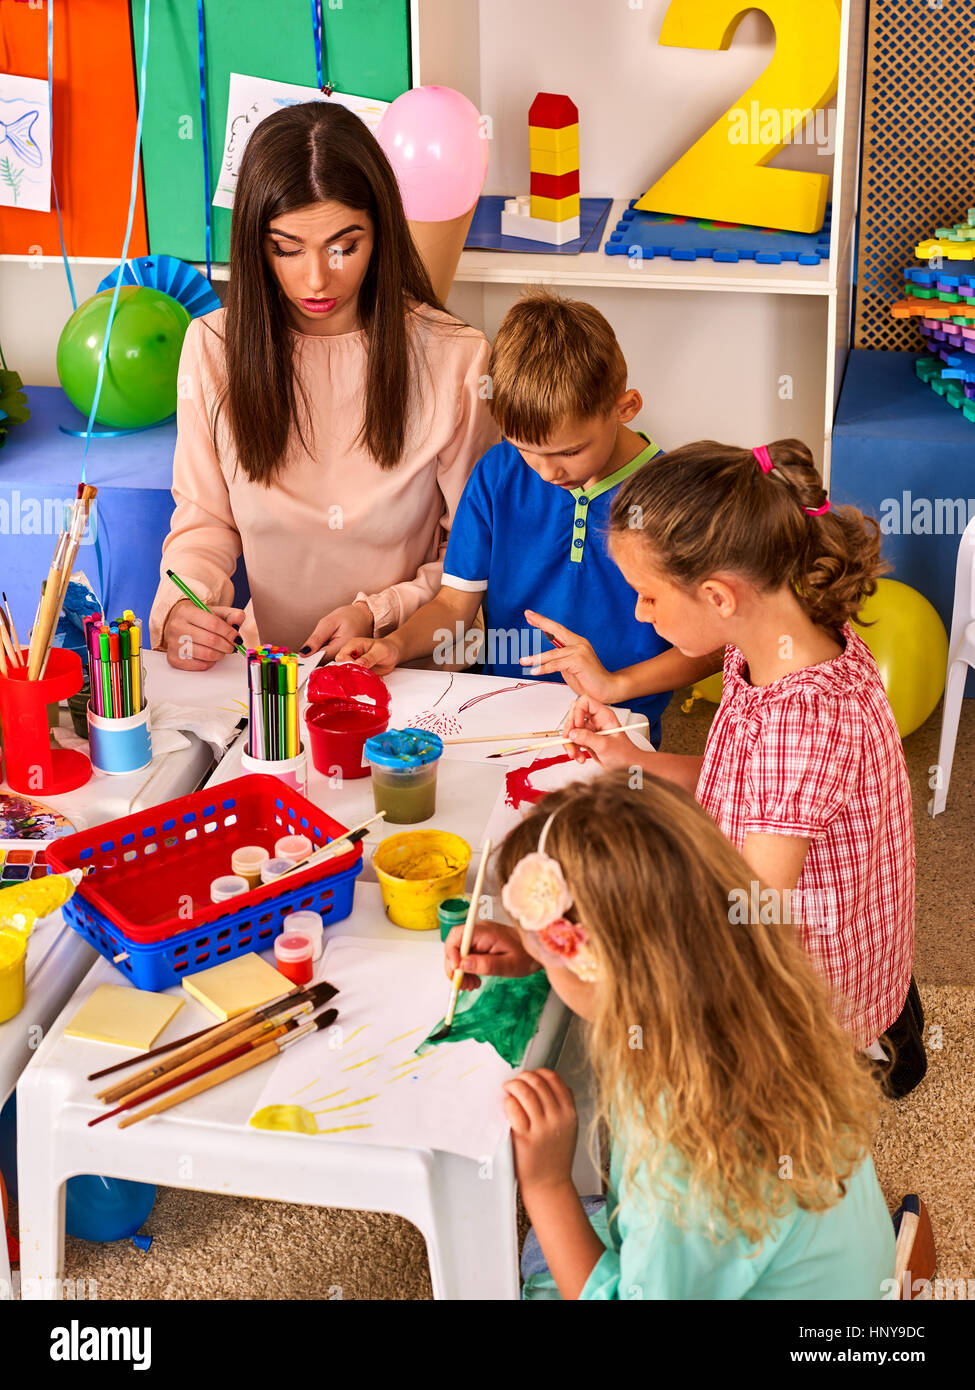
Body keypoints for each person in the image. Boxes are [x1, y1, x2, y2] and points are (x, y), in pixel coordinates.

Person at [559, 439, 922, 1093]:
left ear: (719, 595)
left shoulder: (798, 725)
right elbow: (735, 779)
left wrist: (631, 929)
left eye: (646, 596)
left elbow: (749, 916)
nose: (640, 613)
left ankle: (875, 1041)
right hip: (857, 918)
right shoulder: (783, 639)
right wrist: (632, 761)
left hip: (812, 978)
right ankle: (893, 1026)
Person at [445, 775, 896, 1300]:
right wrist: (538, 955)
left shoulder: (684, 1151)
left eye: (544, 942)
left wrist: (546, 1185)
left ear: (593, 964)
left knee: (536, 1258)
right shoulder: (757, 992)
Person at [148, 100, 498, 668]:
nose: (316, 279)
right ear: (254, 245)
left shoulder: (455, 356)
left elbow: (473, 556)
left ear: (381, 233)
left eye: (344, 247)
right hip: (278, 671)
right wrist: (184, 607)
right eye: (286, 249)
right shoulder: (212, 349)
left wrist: (378, 612)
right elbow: (204, 523)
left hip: (410, 668)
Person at [335, 292, 717, 746]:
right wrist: (394, 645)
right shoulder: (497, 474)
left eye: (569, 451)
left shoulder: (677, 496)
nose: (548, 472)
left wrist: (615, 686)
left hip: (620, 720)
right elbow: (455, 606)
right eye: (525, 448)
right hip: (503, 711)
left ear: (625, 407)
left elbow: (715, 650)